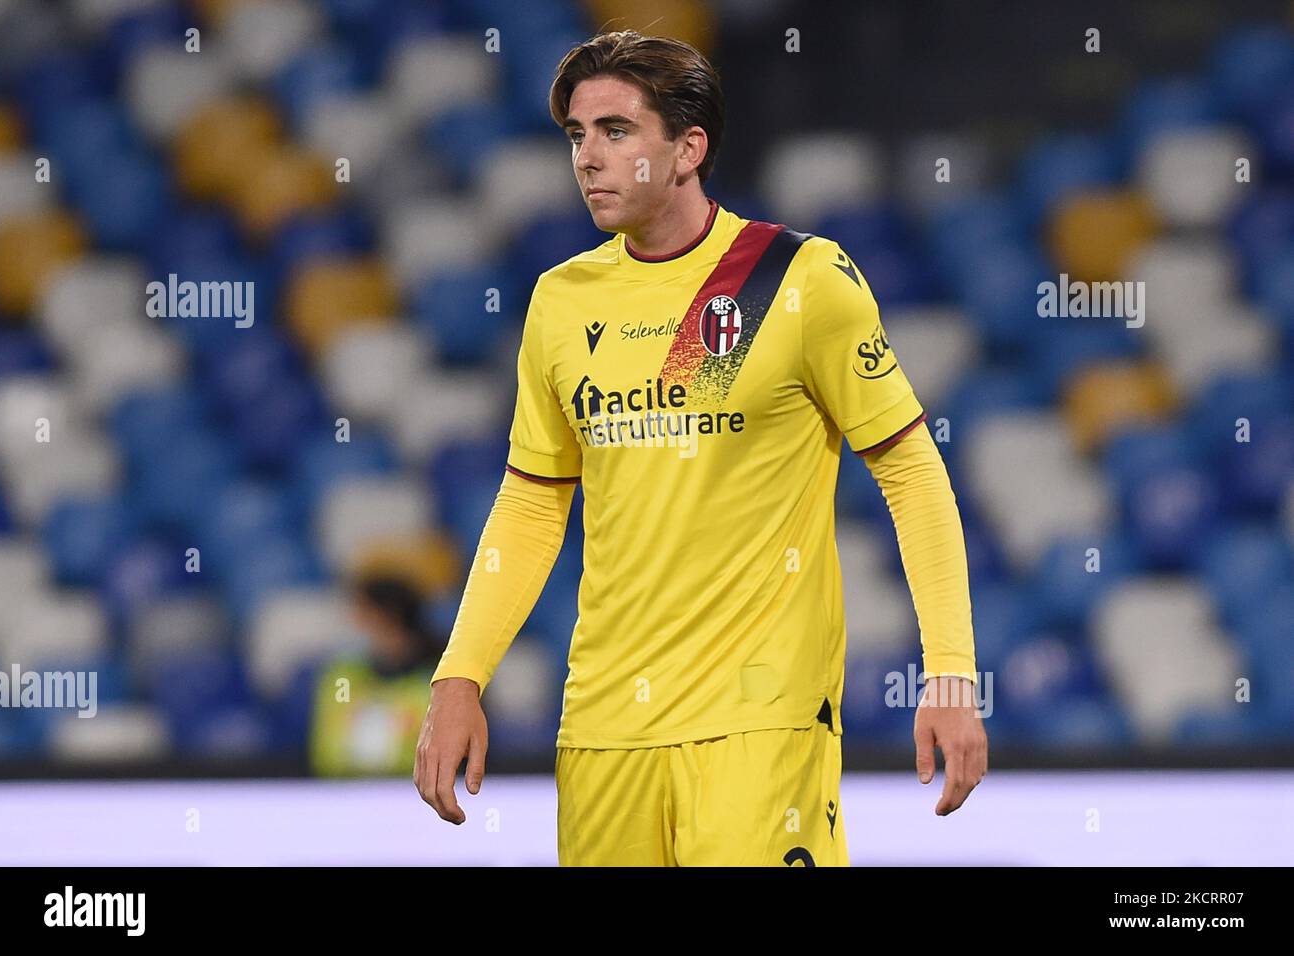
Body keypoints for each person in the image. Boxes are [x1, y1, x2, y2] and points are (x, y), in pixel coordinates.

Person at [414, 30, 987, 866]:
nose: (587, 159)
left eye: (616, 131)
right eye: (577, 135)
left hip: (760, 717)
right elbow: (534, 501)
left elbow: (910, 471)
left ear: (689, 148)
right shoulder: (560, 302)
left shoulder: (794, 279)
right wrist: (459, 676)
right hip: (605, 725)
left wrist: (950, 676)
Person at [311, 575, 443, 777]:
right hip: (347, 796)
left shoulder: (440, 680)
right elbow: (327, 752)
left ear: (389, 615)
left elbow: (435, 754)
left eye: (361, 613)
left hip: (414, 796)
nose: (352, 622)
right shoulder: (343, 677)